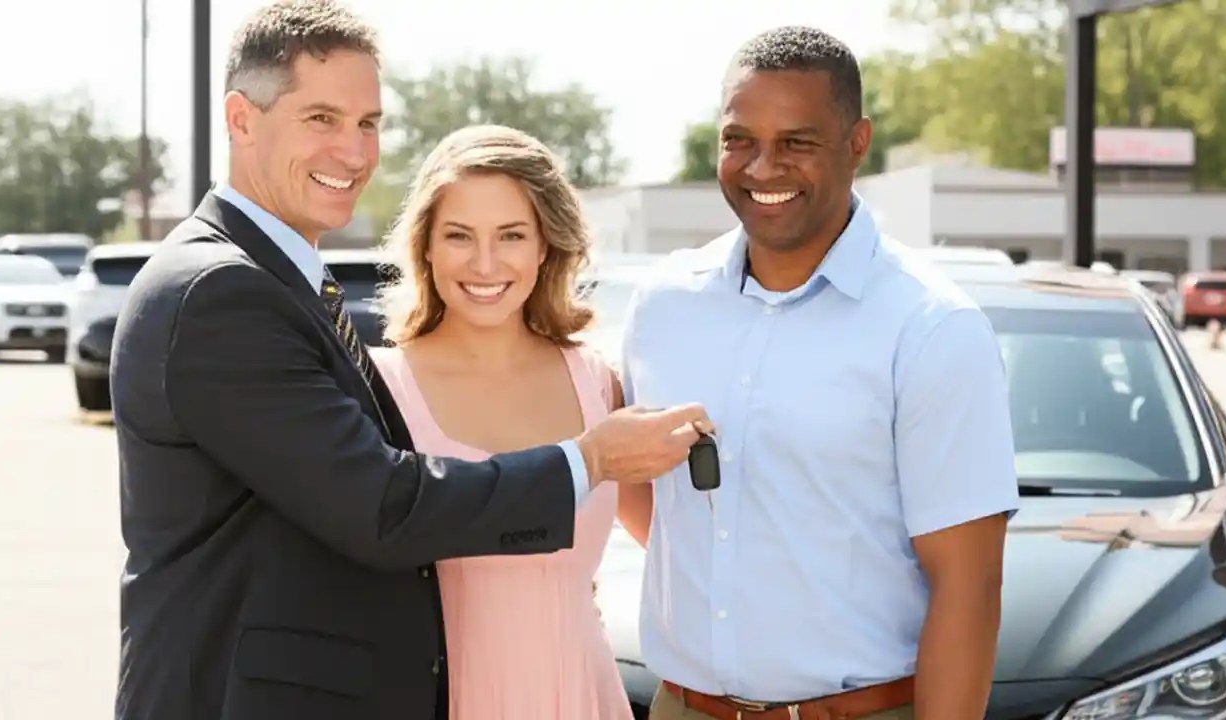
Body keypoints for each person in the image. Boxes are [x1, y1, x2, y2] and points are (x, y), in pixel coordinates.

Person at [109, 3, 707, 719]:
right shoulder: (221, 292)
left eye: (368, 124)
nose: (355, 154)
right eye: (321, 119)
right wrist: (588, 462)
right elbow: (381, 506)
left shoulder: (275, 279)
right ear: (241, 120)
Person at [620, 26, 1020, 720]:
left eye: (796, 143)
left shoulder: (931, 328)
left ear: (856, 143)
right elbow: (650, 505)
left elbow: (970, 584)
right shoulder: (662, 306)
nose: (762, 168)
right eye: (739, 139)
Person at [368, 123, 649, 720]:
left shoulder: (597, 381)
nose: (486, 263)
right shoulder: (377, 388)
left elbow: (680, 547)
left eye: (512, 235)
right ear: (426, 247)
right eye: (459, 236)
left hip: (580, 696)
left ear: (546, 244)